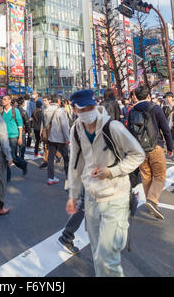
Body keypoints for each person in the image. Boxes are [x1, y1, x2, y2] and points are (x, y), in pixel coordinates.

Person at [67, 89, 145, 277]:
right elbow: (75, 163)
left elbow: (138, 154)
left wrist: (112, 171)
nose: (89, 111)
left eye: (91, 106)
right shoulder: (76, 130)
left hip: (116, 196)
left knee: (107, 256)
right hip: (92, 198)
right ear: (75, 110)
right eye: (83, 108)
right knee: (97, 254)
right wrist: (73, 195)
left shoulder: (113, 127)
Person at [128, 85, 174, 219]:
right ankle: (152, 200)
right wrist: (170, 147)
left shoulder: (132, 111)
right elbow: (165, 129)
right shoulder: (156, 109)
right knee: (160, 176)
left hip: (139, 149)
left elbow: (130, 132)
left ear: (136, 96)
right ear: (148, 96)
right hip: (156, 147)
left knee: (146, 177)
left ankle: (151, 203)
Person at [43, 94, 69, 185]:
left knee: (50, 157)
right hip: (61, 137)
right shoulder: (61, 111)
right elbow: (64, 126)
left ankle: (50, 177)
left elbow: (46, 125)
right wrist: (67, 138)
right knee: (66, 157)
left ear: (51, 101)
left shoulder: (46, 110)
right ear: (58, 101)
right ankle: (68, 177)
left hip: (51, 137)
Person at [2, 95, 27, 180]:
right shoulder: (1, 111)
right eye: (3, 99)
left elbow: (20, 125)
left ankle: (23, 164)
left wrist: (20, 137)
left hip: (13, 136)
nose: (3, 101)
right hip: (4, 137)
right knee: (5, 156)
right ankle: (7, 177)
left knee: (13, 157)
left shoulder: (15, 110)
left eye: (5, 99)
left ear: (9, 101)